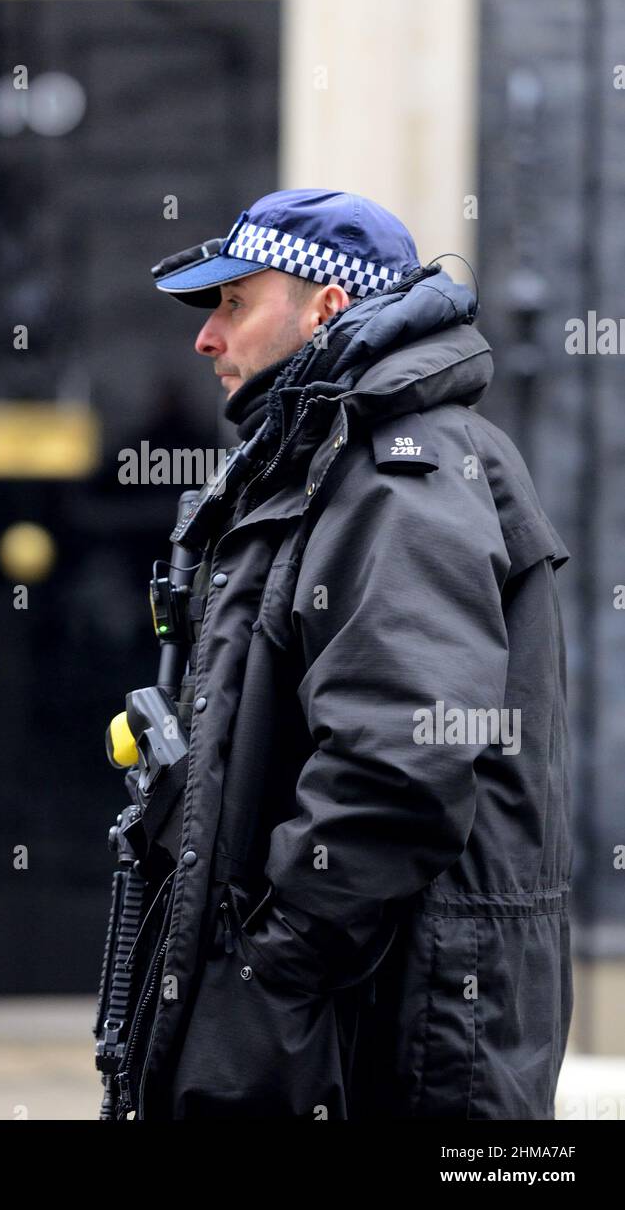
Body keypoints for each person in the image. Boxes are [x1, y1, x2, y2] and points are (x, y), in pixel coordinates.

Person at [127, 187, 573, 1120]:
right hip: (363, 1021)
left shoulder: (398, 473)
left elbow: (398, 768)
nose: (207, 340)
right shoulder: (336, 459)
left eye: (234, 303)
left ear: (326, 306)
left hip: (399, 1042)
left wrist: (267, 966)